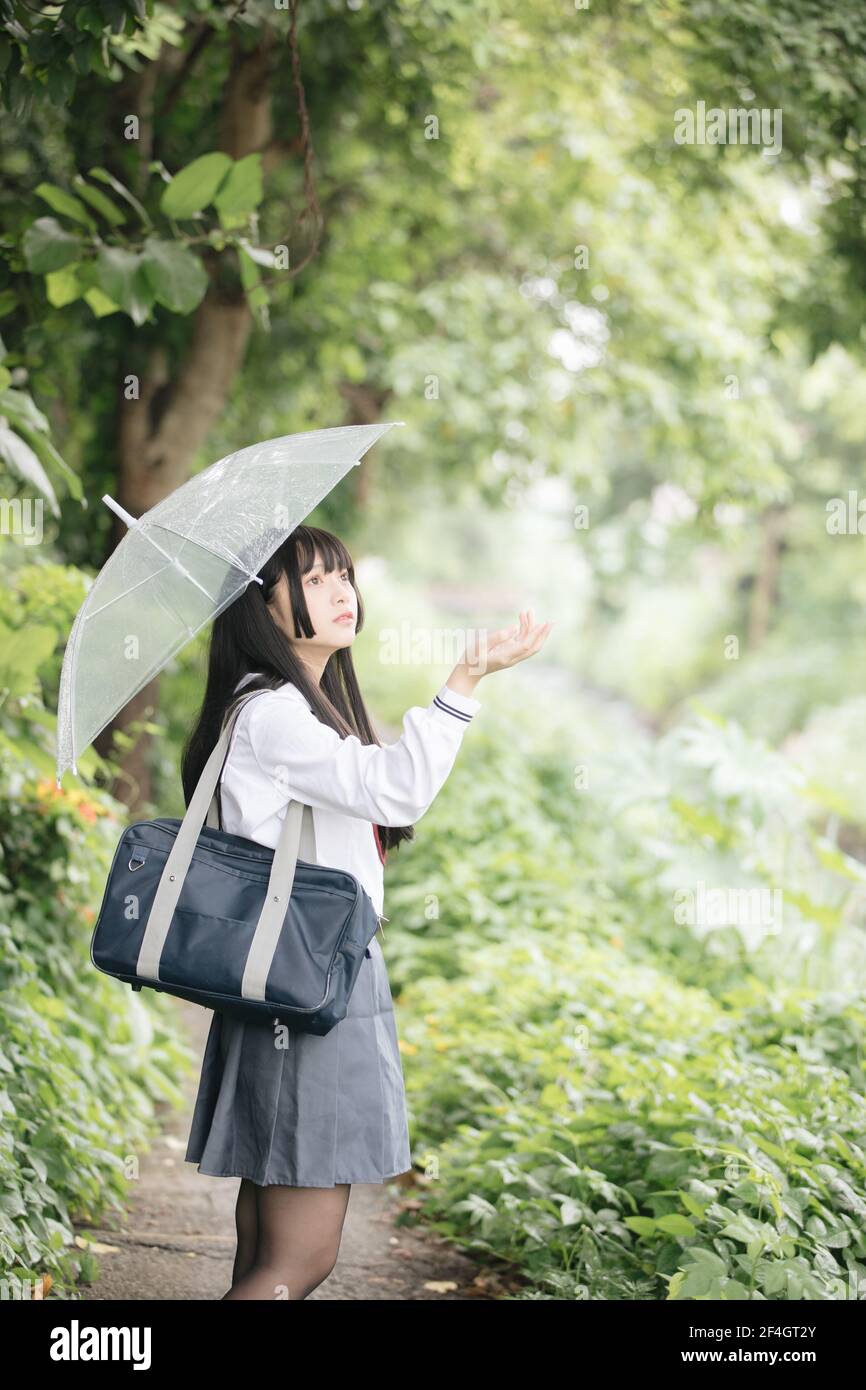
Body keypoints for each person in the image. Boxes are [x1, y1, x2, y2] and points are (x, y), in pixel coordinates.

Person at [180, 523, 552, 1299]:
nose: (343, 590)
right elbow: (397, 789)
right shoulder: (276, 713)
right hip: (308, 986)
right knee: (299, 1260)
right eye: (315, 580)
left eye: (344, 574)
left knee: (265, 1246)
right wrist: (464, 683)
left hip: (295, 977)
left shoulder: (280, 707)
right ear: (264, 604)